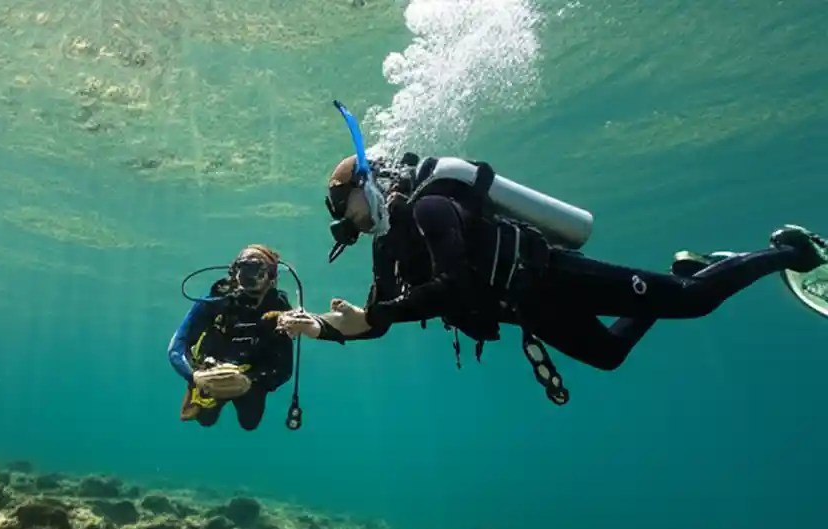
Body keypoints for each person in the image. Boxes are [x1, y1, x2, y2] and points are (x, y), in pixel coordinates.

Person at [277, 101, 828, 404]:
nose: (340, 218)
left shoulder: (430, 209)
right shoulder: (387, 249)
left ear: (366, 184)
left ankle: (786, 251)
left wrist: (378, 314)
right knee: (611, 355)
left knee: (696, 301)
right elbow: (375, 323)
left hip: (552, 277)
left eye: (341, 203)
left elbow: (456, 288)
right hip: (529, 308)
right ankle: (681, 269)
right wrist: (319, 327)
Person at [168, 244, 295, 429]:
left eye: (256, 269)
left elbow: (284, 369)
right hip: (211, 371)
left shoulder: (279, 310)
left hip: (253, 373)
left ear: (272, 276)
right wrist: (195, 376)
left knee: (249, 422)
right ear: (234, 272)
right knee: (205, 420)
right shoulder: (216, 301)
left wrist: (250, 380)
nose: (249, 277)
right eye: (243, 268)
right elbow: (177, 346)